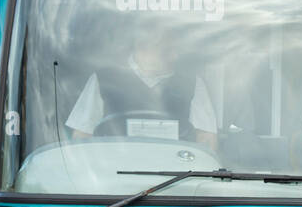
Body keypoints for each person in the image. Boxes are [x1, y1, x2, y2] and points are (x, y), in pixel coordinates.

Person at [66, 16, 218, 151]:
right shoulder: (104, 79)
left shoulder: (191, 83)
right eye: (167, 50)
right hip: (115, 173)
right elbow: (82, 135)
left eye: (175, 49)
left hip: (176, 175)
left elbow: (206, 139)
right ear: (142, 48)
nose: (175, 56)